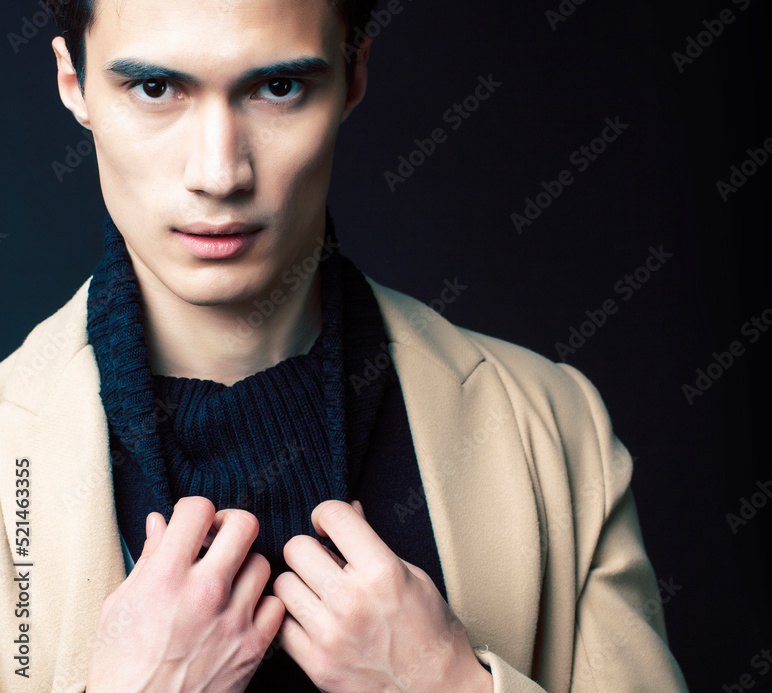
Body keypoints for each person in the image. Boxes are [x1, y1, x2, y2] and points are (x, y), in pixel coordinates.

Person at [0, 0, 688, 691]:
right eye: (155, 88)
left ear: (354, 75)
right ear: (73, 82)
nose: (219, 173)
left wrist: (447, 683)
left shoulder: (557, 427)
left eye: (277, 87)